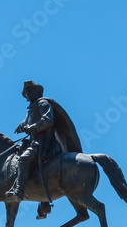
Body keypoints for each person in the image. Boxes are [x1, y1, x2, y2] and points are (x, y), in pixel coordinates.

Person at [5, 81, 83, 211]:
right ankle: (43, 201)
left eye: (30, 90)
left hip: (44, 143)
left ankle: (19, 191)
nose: (28, 93)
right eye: (26, 91)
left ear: (38, 92)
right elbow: (29, 122)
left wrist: (30, 127)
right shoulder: (32, 108)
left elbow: (47, 120)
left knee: (24, 159)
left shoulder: (42, 103)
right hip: (34, 142)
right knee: (18, 157)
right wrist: (22, 125)